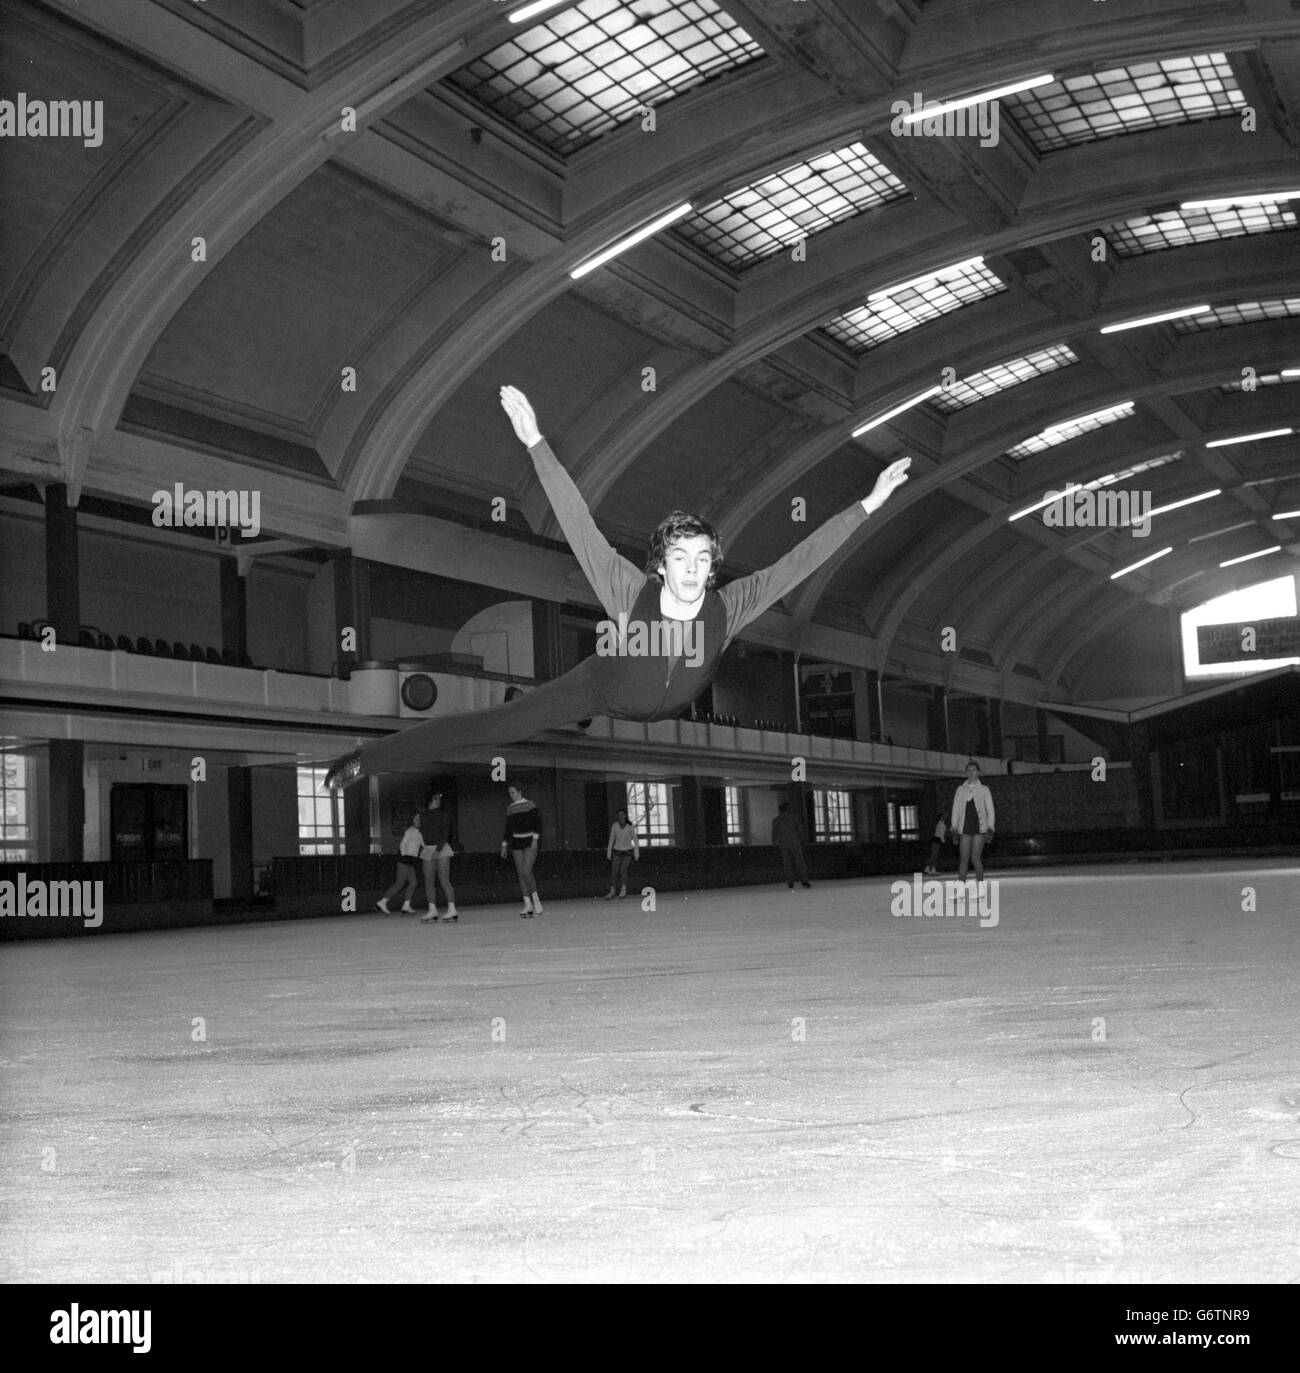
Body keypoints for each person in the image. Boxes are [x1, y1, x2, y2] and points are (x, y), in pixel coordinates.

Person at [324, 386, 910, 787]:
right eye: (680, 557)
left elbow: (799, 561)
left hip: (674, 702)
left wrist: (869, 503)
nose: (691, 568)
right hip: (599, 690)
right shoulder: (633, 594)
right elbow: (579, 525)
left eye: (703, 558)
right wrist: (536, 444)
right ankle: (365, 759)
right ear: (661, 565)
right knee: (496, 724)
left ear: (713, 566)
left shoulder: (729, 608)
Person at [501, 784, 543, 918]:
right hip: (517, 843)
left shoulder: (530, 805)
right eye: (509, 793)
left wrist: (535, 839)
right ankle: (527, 904)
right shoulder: (510, 808)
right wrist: (504, 844)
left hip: (530, 841)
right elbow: (508, 828)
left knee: (526, 871)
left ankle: (535, 897)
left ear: (520, 792)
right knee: (521, 874)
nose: (511, 795)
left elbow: (538, 823)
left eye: (513, 792)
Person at [949, 762, 995, 882]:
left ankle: (980, 887)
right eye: (968, 770)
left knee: (975, 858)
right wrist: (954, 826)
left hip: (979, 828)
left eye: (973, 770)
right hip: (964, 828)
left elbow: (990, 810)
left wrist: (990, 827)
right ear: (966, 773)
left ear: (978, 772)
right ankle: (960, 888)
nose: (971, 772)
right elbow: (955, 809)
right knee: (964, 859)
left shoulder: (985, 789)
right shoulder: (960, 789)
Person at [418, 790, 458, 924]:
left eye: (439, 799)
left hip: (441, 848)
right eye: (435, 798)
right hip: (428, 848)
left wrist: (438, 849)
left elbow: (445, 832)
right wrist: (427, 848)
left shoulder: (443, 814)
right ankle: (432, 910)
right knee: (429, 881)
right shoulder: (423, 815)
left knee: (444, 879)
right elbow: (424, 832)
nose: (438, 801)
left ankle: (452, 909)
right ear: (429, 800)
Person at [377, 812, 422, 914]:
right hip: (404, 860)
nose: (418, 821)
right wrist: (404, 857)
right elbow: (403, 844)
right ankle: (383, 902)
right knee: (400, 883)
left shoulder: (419, 833)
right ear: (412, 820)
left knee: (413, 882)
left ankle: (406, 905)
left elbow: (424, 845)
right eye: (416, 819)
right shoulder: (409, 831)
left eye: (420, 819)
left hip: (411, 861)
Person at [771, 800, 811, 889]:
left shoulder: (776, 820)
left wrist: (774, 844)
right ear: (787, 809)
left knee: (787, 863)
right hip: (795, 843)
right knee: (800, 862)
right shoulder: (794, 818)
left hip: (783, 844)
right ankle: (804, 881)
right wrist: (803, 839)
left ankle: (790, 882)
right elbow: (800, 829)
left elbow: (774, 833)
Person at [604, 807, 639, 899]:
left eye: (622, 814)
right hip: (617, 851)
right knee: (614, 870)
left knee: (623, 869)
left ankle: (623, 889)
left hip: (627, 851)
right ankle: (612, 890)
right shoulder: (615, 825)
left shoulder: (630, 826)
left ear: (625, 815)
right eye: (619, 814)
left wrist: (636, 852)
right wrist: (609, 851)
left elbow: (635, 839)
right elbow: (612, 839)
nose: (621, 816)